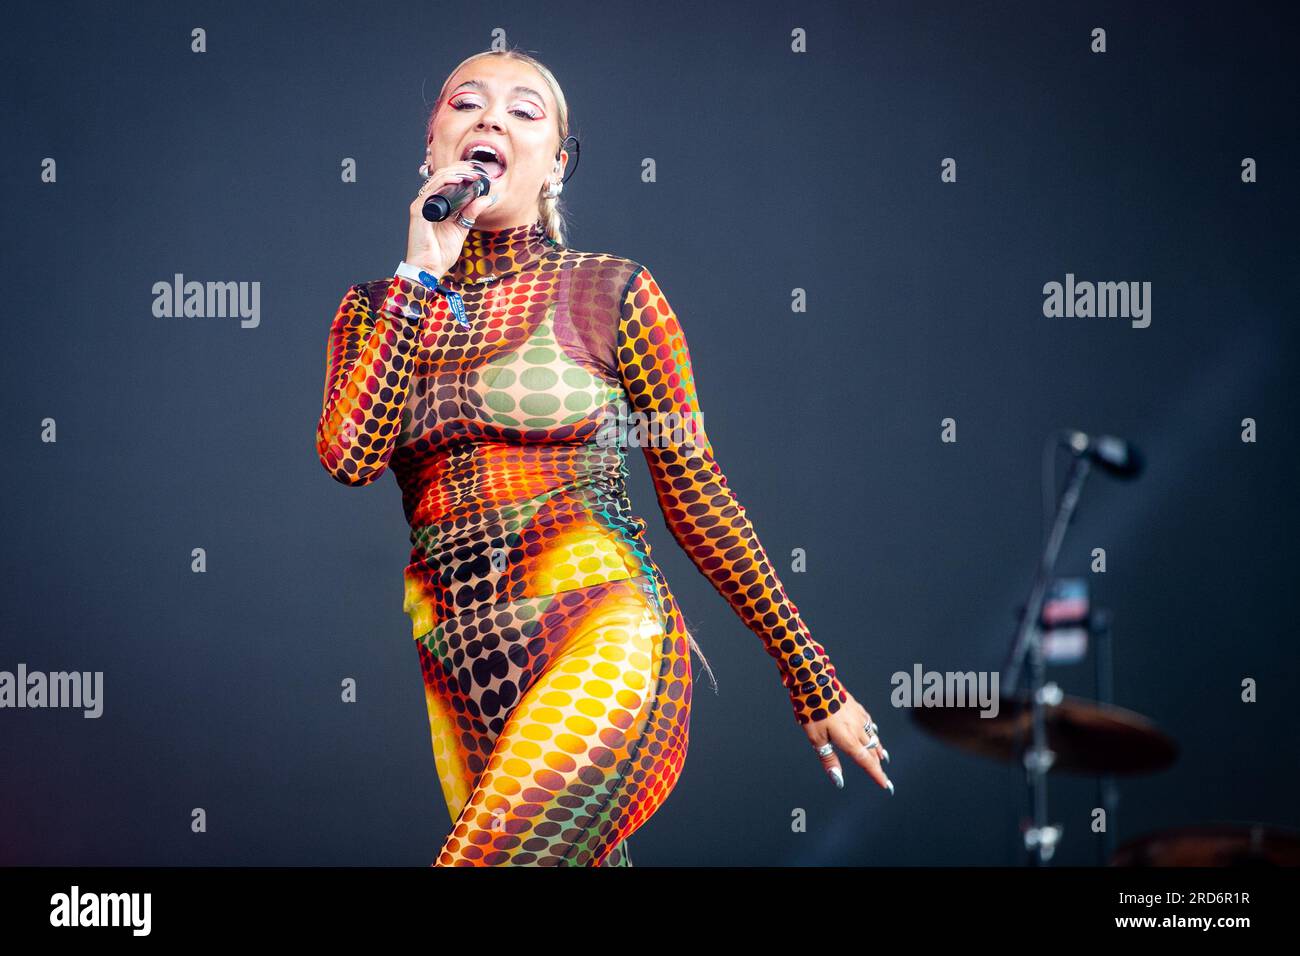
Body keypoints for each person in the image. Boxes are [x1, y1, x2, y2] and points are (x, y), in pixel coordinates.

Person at [315, 47, 893, 867]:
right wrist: (418, 275)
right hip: (463, 663)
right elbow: (348, 455)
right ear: (432, 147)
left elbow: (698, 495)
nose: (490, 119)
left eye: (524, 110)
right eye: (466, 103)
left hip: (603, 624)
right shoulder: (375, 309)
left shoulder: (610, 290)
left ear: (555, 164)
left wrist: (812, 676)